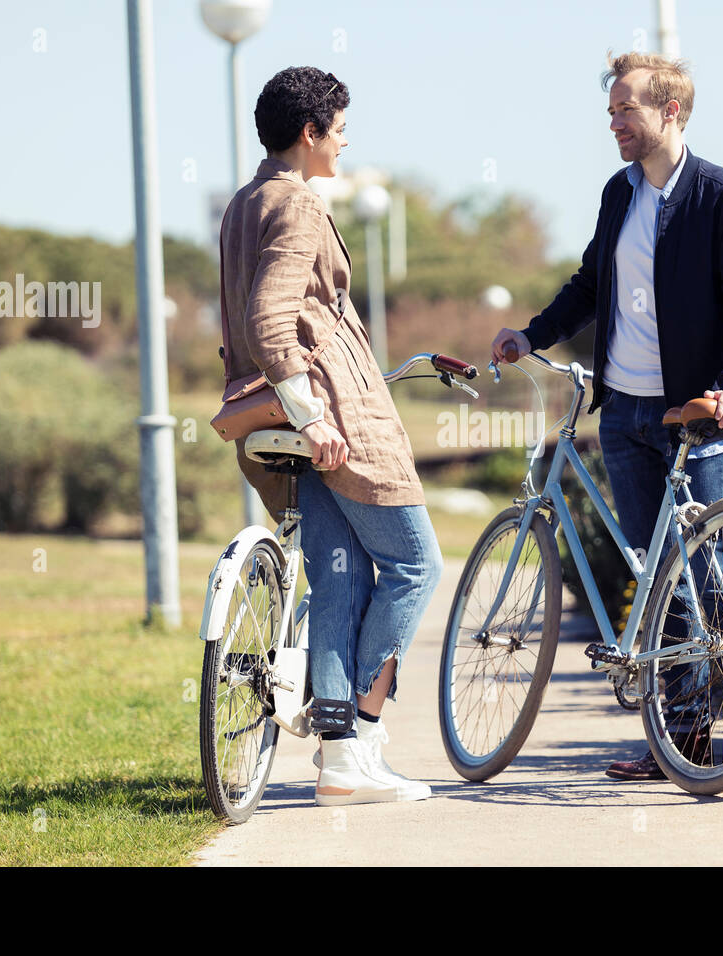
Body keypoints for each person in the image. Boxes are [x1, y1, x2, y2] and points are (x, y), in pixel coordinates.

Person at [491, 51, 723, 783]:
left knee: (713, 566)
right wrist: (533, 333)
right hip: (622, 415)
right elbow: (591, 282)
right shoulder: (619, 193)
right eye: (611, 111)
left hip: (696, 415)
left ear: (670, 112)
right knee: (660, 578)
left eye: (627, 110)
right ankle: (679, 744)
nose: (614, 122)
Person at [220, 66, 442, 806]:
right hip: (333, 416)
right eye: (340, 128)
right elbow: (268, 317)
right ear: (310, 132)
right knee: (416, 566)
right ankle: (364, 732)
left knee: (341, 577)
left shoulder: (242, 204)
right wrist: (314, 415)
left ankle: (342, 762)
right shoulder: (300, 204)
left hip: (270, 419)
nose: (345, 142)